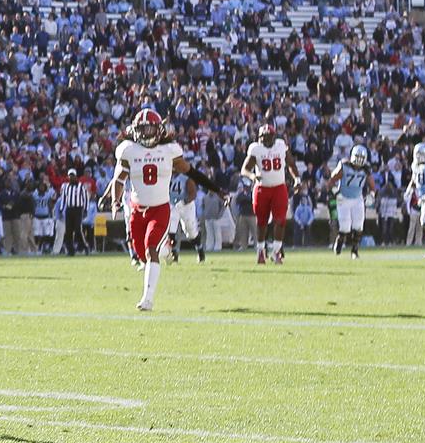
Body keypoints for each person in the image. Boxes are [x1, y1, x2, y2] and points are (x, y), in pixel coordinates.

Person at [101, 108, 219, 312]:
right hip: (137, 210)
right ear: (136, 130)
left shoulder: (169, 150)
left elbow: (190, 171)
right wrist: (115, 202)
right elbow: (119, 179)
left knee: (150, 248)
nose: (147, 133)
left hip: (160, 209)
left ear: (159, 130)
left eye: (150, 129)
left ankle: (147, 299)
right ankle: (166, 250)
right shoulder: (127, 149)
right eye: (143, 129)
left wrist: (214, 187)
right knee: (142, 254)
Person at [243, 125, 294, 265]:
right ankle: (260, 251)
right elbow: (245, 169)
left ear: (273, 137)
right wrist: (253, 176)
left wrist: (297, 178)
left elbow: (291, 163)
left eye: (267, 137)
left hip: (279, 187)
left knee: (280, 221)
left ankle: (277, 251)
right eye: (262, 138)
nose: (265, 140)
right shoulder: (256, 149)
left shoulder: (280, 145)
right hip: (262, 189)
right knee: (261, 222)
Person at [328, 145, 370, 258]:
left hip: (358, 199)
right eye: (357, 157)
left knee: (358, 225)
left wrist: (372, 194)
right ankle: (340, 240)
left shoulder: (366, 169)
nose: (359, 161)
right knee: (345, 227)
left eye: (361, 158)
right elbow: (331, 182)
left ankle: (354, 250)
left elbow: (372, 185)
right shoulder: (344, 165)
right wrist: (336, 193)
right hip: (344, 198)